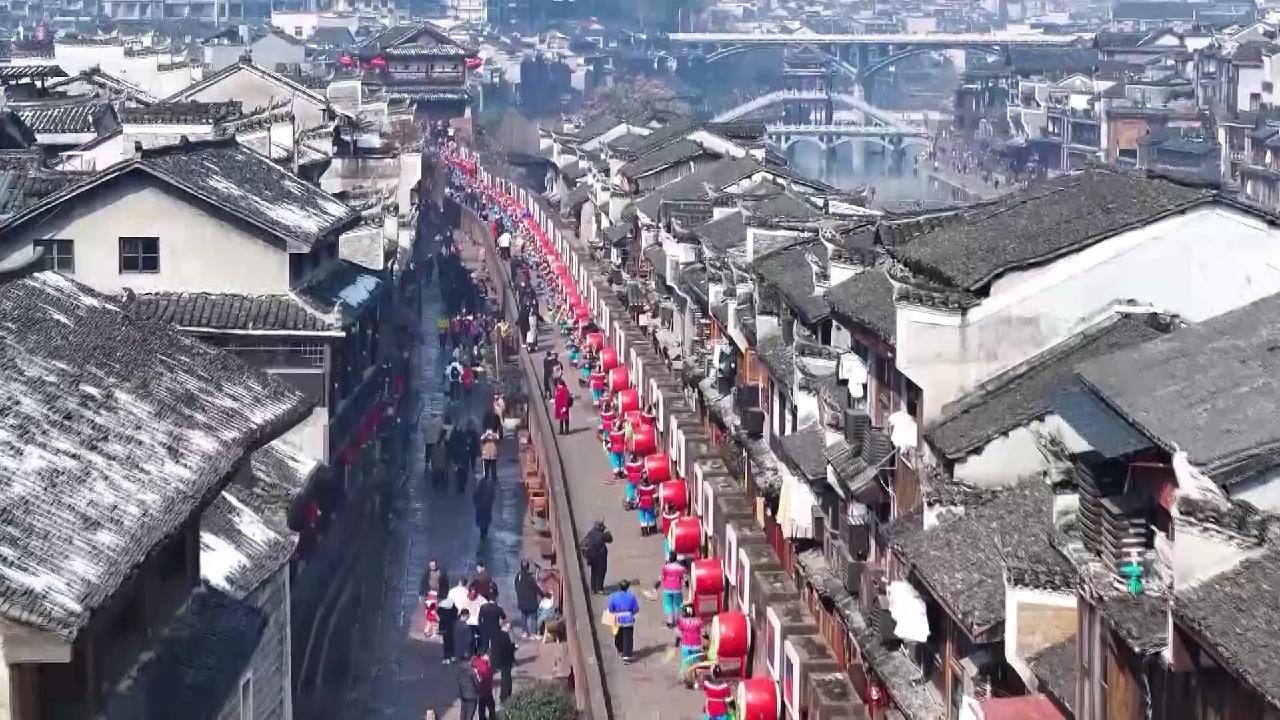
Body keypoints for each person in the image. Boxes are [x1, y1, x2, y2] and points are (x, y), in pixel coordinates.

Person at [606, 580, 639, 663]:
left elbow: (610, 608)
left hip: (617, 619)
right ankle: (627, 655)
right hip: (628, 619)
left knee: (619, 636)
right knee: (628, 637)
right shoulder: (631, 596)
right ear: (627, 587)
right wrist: (631, 613)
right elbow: (635, 609)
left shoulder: (613, 596)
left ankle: (620, 650)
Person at [581, 520, 613, 594]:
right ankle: (599, 588)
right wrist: (607, 532)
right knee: (601, 572)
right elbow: (610, 539)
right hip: (600, 557)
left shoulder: (590, 532)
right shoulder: (602, 535)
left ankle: (593, 589)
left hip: (592, 557)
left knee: (594, 572)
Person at [490, 621, 517, 702]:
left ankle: (503, 695)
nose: (509, 629)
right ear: (504, 626)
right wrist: (513, 647)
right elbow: (508, 648)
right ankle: (505, 695)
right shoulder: (505, 636)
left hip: (496, 659)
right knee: (506, 678)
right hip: (505, 660)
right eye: (508, 627)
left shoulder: (495, 635)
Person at [514, 560, 542, 636]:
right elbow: (537, 589)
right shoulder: (531, 579)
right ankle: (533, 633)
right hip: (531, 603)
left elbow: (516, 587)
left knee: (523, 617)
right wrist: (544, 595)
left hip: (522, 602)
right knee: (533, 618)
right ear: (528, 568)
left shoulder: (518, 578)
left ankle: (525, 632)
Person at [660, 551, 687, 627]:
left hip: (667, 589)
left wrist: (660, 584)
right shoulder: (680, 568)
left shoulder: (665, 567)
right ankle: (678, 620)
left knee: (668, 605)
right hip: (677, 589)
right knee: (677, 605)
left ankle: (670, 621)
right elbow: (685, 577)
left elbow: (662, 577)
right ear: (676, 559)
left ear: (669, 559)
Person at [678, 604, 705, 676]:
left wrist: (677, 643)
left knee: (686, 663)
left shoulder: (682, 621)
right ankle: (698, 677)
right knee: (697, 663)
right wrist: (708, 640)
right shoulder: (698, 621)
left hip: (685, 646)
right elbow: (704, 633)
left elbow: (679, 634)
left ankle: (687, 677)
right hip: (697, 646)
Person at [472, 653, 497, 720]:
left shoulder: (478, 663)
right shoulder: (484, 665)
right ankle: (492, 717)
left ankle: (482, 718)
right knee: (491, 705)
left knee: (482, 705)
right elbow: (487, 676)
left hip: (481, 690)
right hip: (486, 689)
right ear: (483, 656)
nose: (488, 657)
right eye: (487, 655)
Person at [438, 597, 460, 664]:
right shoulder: (453, 611)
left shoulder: (442, 610)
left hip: (444, 628)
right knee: (452, 642)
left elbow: (439, 613)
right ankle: (452, 656)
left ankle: (446, 657)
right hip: (452, 627)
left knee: (446, 643)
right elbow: (456, 613)